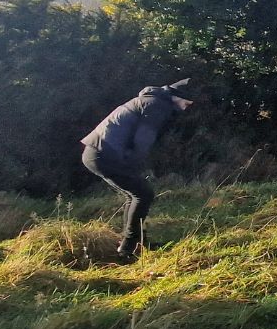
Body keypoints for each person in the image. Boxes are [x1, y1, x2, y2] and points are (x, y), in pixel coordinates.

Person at [80, 79, 194, 261]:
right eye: (187, 103)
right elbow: (143, 140)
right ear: (178, 97)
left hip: (95, 152)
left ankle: (138, 243)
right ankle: (126, 250)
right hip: (104, 155)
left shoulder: (151, 100)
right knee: (143, 195)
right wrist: (136, 164)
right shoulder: (157, 105)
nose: (187, 107)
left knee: (135, 195)